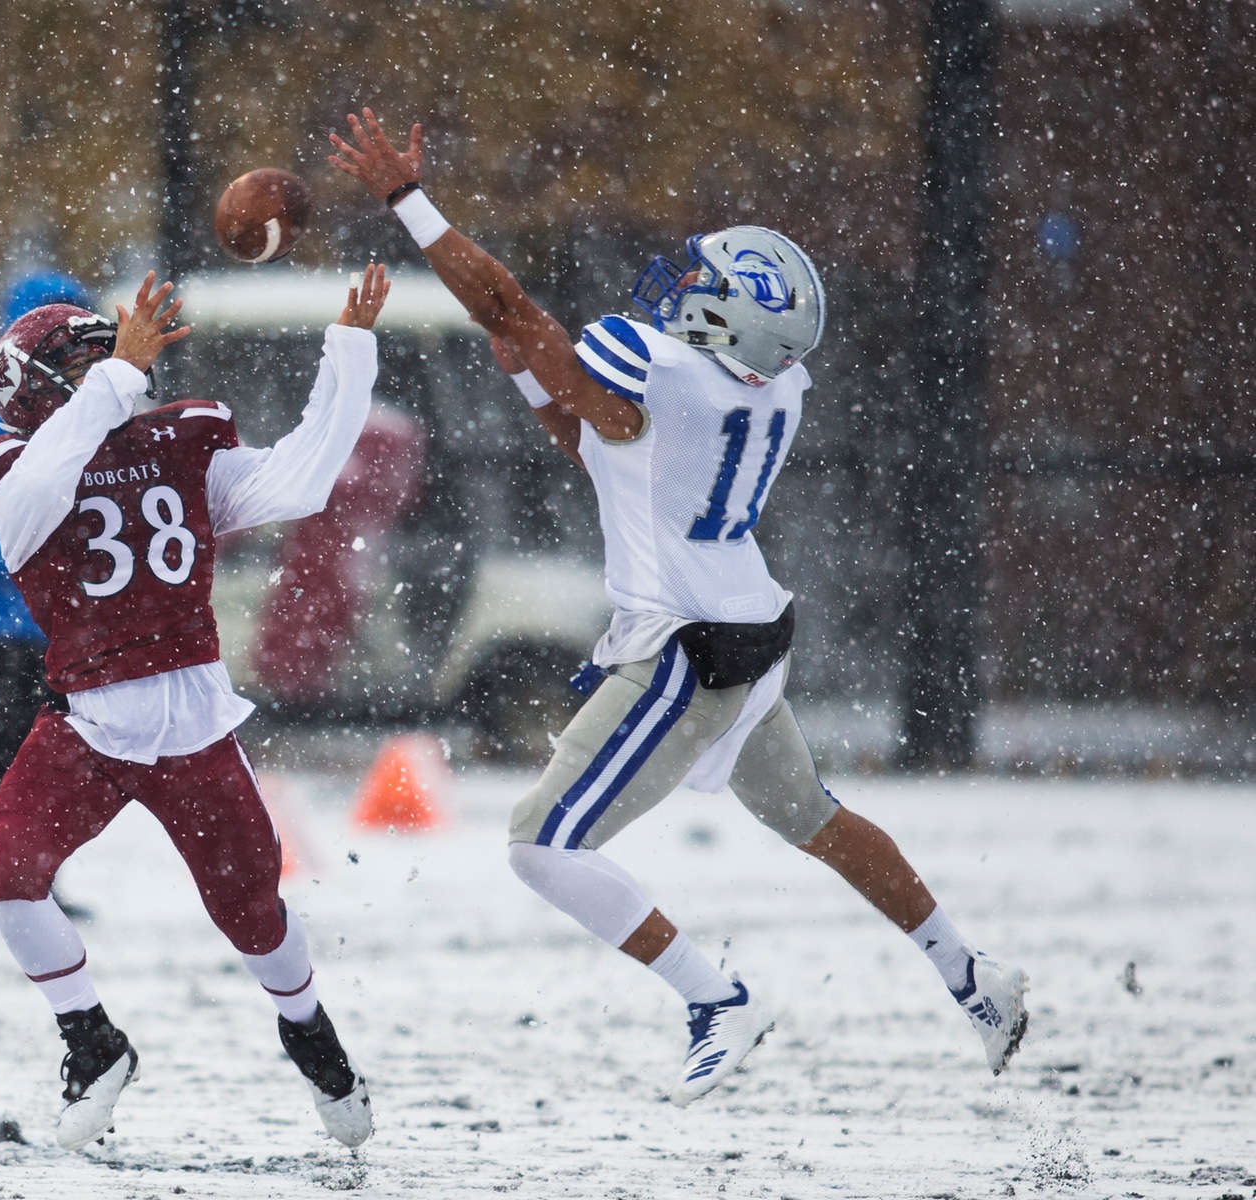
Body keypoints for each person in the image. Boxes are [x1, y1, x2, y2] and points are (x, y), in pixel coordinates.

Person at [330, 110, 1029, 1104]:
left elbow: (504, 301)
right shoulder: (771, 388)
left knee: (540, 845)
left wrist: (411, 202)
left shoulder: (653, 365)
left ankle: (716, 1000)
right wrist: (536, 377)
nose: (682, 289)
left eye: (705, 286)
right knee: (814, 818)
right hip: (749, 621)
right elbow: (607, 453)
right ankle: (973, 980)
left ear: (735, 318)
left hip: (684, 648)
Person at [0, 268, 388, 1150]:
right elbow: (40, 490)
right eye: (82, 363)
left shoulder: (179, 441)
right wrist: (113, 378)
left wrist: (347, 353)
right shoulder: (6, 471)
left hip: (193, 719)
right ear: (38, 392)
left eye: (104, 355)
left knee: (252, 912)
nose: (116, 367)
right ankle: (92, 1040)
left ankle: (309, 1031)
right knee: (7, 879)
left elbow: (299, 481)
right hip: (90, 721)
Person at [0, 271, 95, 917]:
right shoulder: (3, 405)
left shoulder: (17, 400)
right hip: (8, 622)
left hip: (22, 622)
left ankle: (11, 875)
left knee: (20, 762)